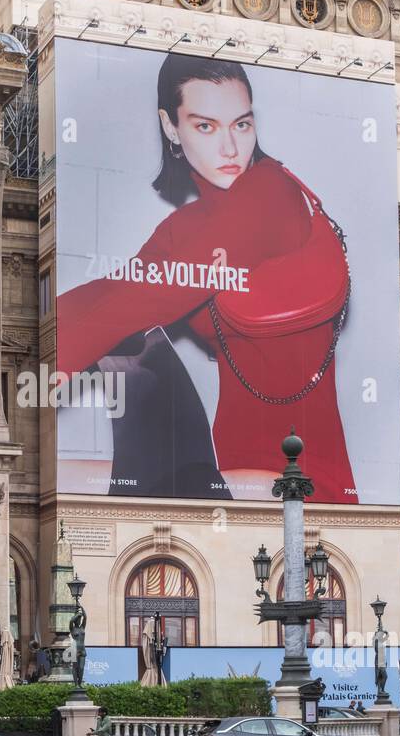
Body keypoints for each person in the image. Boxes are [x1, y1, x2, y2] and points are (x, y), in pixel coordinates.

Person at [55, 55, 356, 502]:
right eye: (205, 126)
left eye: (241, 124)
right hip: (228, 464)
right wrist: (40, 333)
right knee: (68, 477)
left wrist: (57, 352)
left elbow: (151, 294)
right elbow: (128, 288)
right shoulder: (185, 227)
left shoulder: (272, 193)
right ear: (171, 127)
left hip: (301, 475)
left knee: (112, 483)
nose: (231, 148)